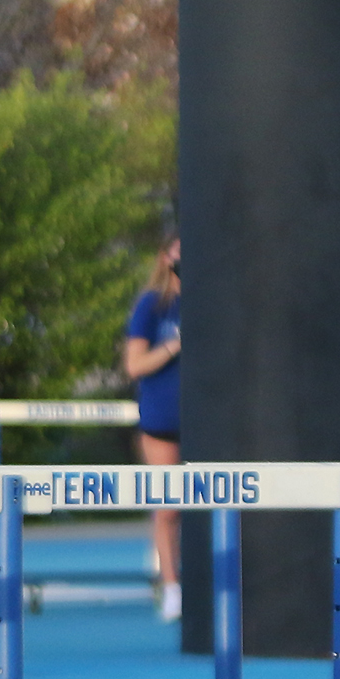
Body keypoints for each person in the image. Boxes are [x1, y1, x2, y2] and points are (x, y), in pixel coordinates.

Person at [123, 238, 181, 622]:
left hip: (208, 420)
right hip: (163, 419)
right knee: (168, 508)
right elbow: (135, 364)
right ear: (166, 257)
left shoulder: (214, 300)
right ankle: (172, 585)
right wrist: (175, 346)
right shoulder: (152, 305)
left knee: (215, 504)